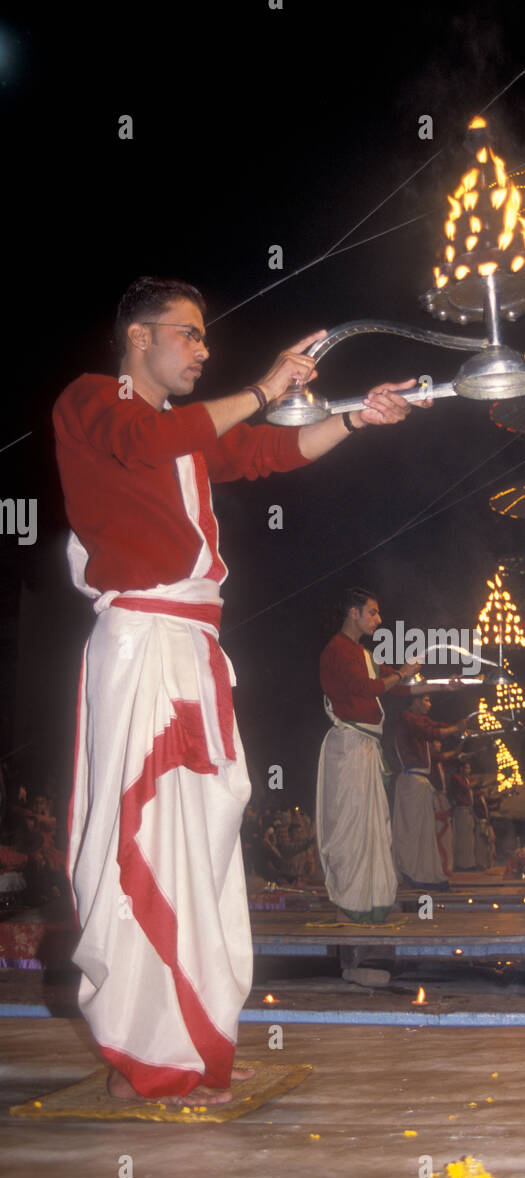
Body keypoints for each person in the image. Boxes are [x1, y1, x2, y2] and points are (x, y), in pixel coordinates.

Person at [54, 275, 424, 1104]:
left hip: (190, 647)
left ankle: (192, 1042)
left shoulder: (181, 430)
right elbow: (149, 446)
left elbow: (266, 452)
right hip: (142, 643)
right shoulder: (90, 404)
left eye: (203, 335)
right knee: (145, 842)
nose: (203, 348)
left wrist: (356, 416)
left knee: (204, 839)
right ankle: (143, 1057)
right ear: (138, 336)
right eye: (188, 334)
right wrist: (263, 387)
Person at [317, 588, 419, 922]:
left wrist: (444, 685)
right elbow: (370, 688)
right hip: (349, 747)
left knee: (373, 828)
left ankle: (370, 903)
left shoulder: (363, 654)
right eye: (372, 612)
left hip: (365, 749)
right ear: (353, 613)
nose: (379, 619)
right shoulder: (338, 650)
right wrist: (402, 673)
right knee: (351, 827)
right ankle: (349, 907)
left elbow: (400, 687)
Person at [393, 695, 465, 889]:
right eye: (426, 699)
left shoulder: (417, 720)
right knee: (413, 831)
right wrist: (455, 729)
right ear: (415, 701)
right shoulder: (407, 719)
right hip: (412, 782)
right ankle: (410, 872)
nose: (430, 704)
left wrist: (460, 727)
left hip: (419, 783)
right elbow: (429, 731)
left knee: (424, 832)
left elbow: (434, 725)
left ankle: (423, 874)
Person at [429, 739, 457, 878]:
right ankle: (439, 868)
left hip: (442, 799)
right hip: (433, 799)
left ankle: (446, 868)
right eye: (437, 742)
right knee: (437, 835)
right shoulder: (429, 759)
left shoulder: (439, 763)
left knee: (446, 836)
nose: (440, 744)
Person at [450, 758, 478, 871]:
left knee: (469, 839)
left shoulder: (467, 779)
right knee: (462, 839)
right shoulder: (456, 778)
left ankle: (469, 863)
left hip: (468, 811)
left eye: (469, 768)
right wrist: (473, 784)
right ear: (461, 768)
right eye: (466, 767)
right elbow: (463, 788)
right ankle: (462, 864)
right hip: (461, 810)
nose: (469, 770)